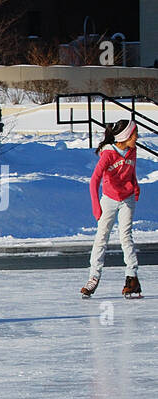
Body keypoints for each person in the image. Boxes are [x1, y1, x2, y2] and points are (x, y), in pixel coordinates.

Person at [82, 119, 142, 299]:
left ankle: (132, 277)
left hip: (127, 198)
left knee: (126, 235)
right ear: (125, 136)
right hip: (108, 199)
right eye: (134, 134)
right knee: (101, 237)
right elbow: (94, 181)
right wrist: (95, 206)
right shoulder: (108, 154)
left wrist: (136, 185)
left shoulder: (133, 151)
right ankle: (94, 277)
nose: (137, 137)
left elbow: (131, 172)